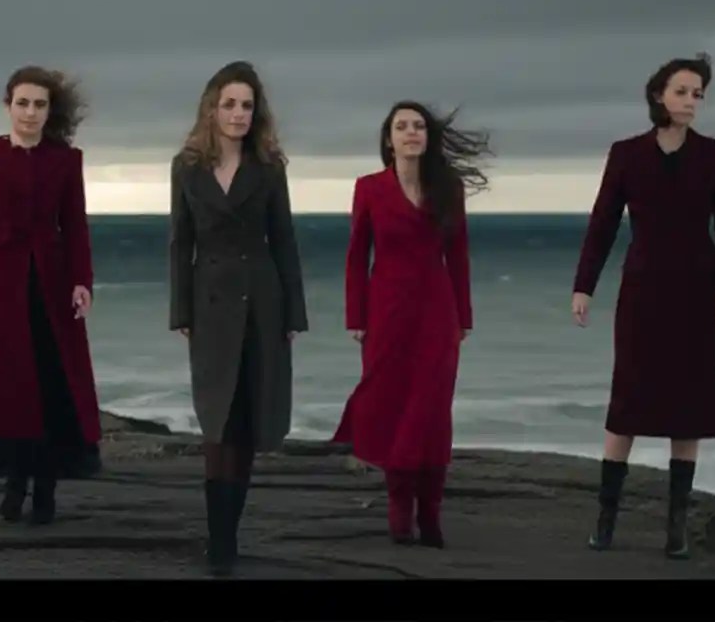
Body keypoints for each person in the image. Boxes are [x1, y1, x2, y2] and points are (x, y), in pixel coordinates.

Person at [572, 53, 715, 560]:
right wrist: (584, 286)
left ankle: (676, 529)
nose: (690, 101)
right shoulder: (626, 153)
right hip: (643, 291)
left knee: (690, 405)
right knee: (627, 399)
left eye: (698, 94)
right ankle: (605, 521)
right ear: (658, 95)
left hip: (697, 292)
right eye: (682, 91)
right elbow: (603, 222)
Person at [168, 60, 308, 576]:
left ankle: (227, 539)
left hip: (262, 304)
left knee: (248, 423)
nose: (238, 113)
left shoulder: (269, 167)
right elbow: (180, 242)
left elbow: (284, 240)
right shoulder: (186, 166)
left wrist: (294, 313)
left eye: (247, 105)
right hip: (210, 307)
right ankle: (217, 537)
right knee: (217, 422)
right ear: (212, 108)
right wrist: (181, 310)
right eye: (229, 104)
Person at [332, 100, 490, 548]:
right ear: (389, 139)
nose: (411, 132)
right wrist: (355, 316)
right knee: (390, 404)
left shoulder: (448, 187)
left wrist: (464, 316)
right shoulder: (369, 188)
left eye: (418, 126)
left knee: (433, 411)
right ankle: (400, 506)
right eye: (401, 126)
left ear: (427, 136)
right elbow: (356, 256)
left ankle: (431, 512)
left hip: (438, 312)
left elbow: (458, 254)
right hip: (386, 312)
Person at [0, 65, 102, 526]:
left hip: (53, 286)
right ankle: (15, 482)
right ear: (8, 106)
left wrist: (82, 282)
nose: (30, 112)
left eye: (39, 104)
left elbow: (75, 225)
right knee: (10, 387)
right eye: (23, 103)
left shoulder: (66, 159)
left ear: (49, 110)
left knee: (52, 383)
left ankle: (46, 491)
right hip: (0, 284)